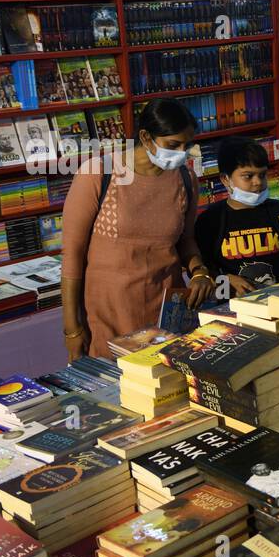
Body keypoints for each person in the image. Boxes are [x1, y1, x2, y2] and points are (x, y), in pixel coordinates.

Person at [61, 98, 214, 360]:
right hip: (108, 313)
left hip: (166, 311)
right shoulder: (99, 173)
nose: (181, 152)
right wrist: (72, 329)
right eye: (173, 145)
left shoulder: (186, 179)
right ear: (145, 137)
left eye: (187, 145)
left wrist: (199, 272)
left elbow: (186, 240)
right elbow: (72, 255)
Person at [194, 136, 279, 293]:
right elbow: (205, 272)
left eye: (262, 175)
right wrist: (225, 280)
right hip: (232, 304)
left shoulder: (278, 211)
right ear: (226, 179)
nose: (258, 182)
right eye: (248, 176)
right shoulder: (210, 220)